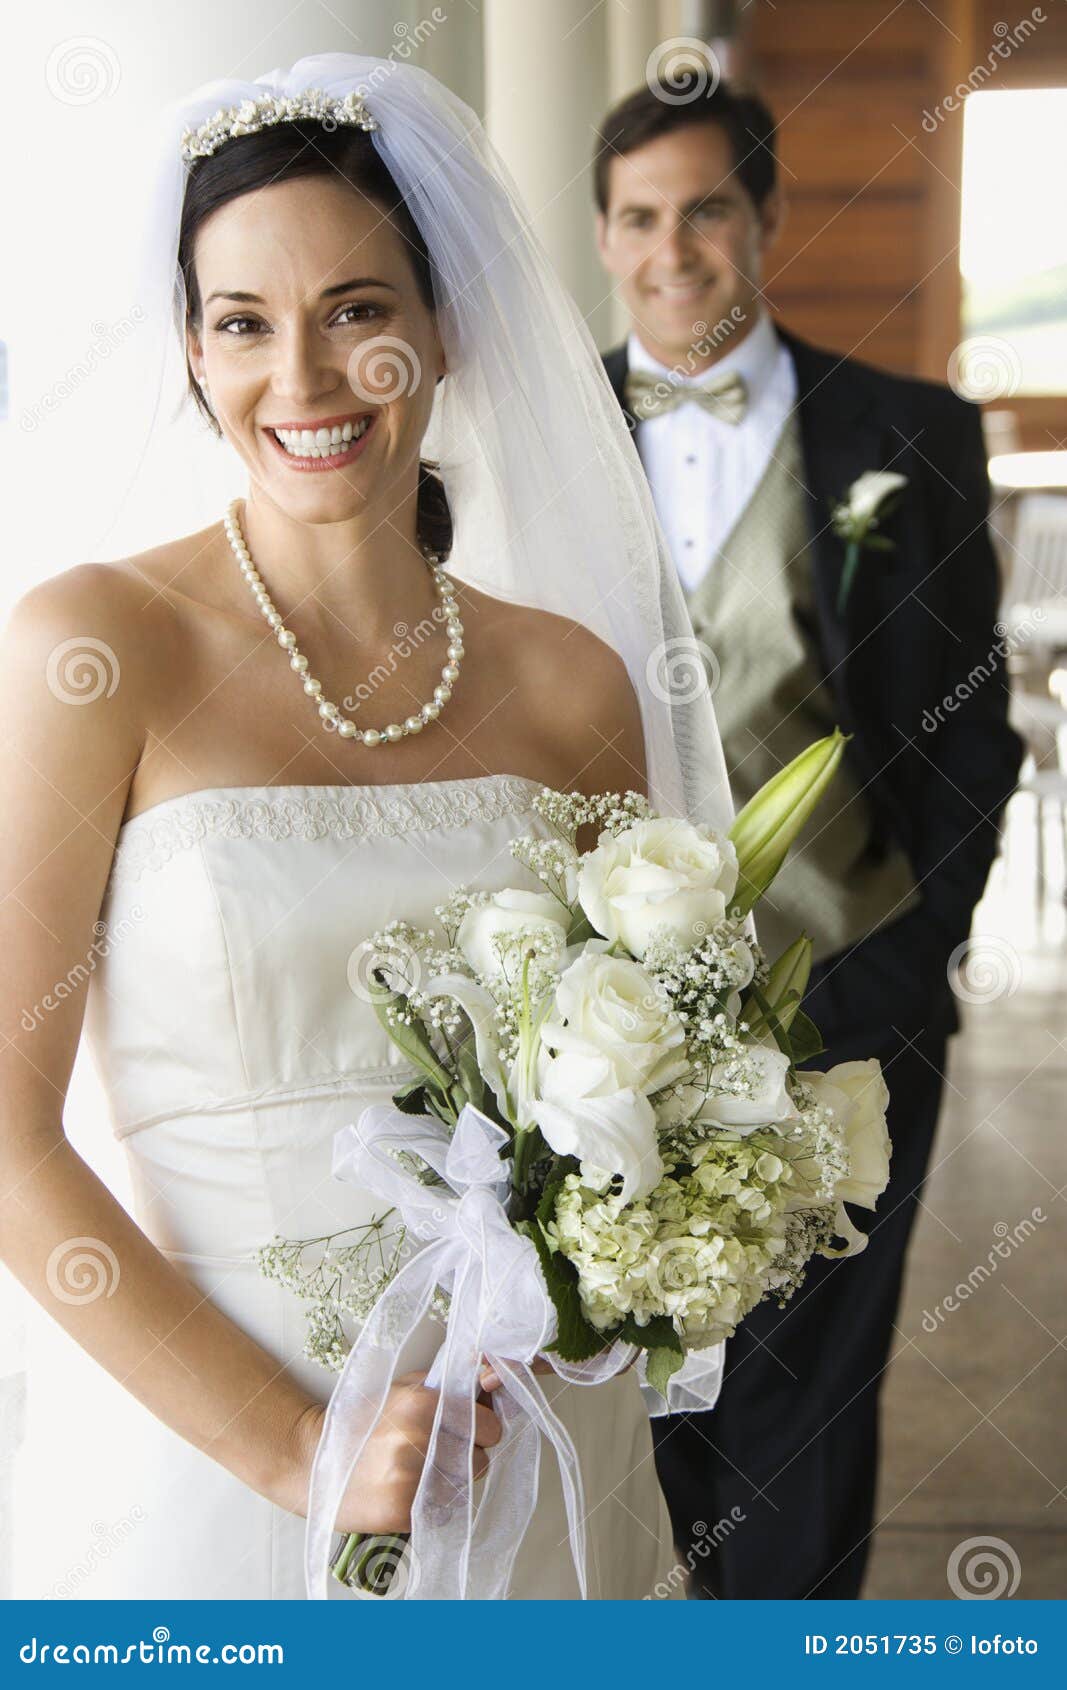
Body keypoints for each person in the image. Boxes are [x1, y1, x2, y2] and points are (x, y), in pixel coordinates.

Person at [0, 54, 735, 1601]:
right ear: (190, 352)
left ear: (445, 323)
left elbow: (660, 1082)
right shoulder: (96, 649)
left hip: (537, 1446)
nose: (305, 377)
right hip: (224, 1467)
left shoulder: (572, 681)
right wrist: (296, 1448)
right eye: (242, 323)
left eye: (355, 309)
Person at [594, 73, 1023, 1598]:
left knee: (812, 1406)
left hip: (854, 988)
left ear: (767, 215)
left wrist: (918, 944)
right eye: (639, 217)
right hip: (608, 1016)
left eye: (706, 208)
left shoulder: (909, 434)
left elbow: (975, 730)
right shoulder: (541, 440)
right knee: (634, 1396)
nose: (674, 250)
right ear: (605, 237)